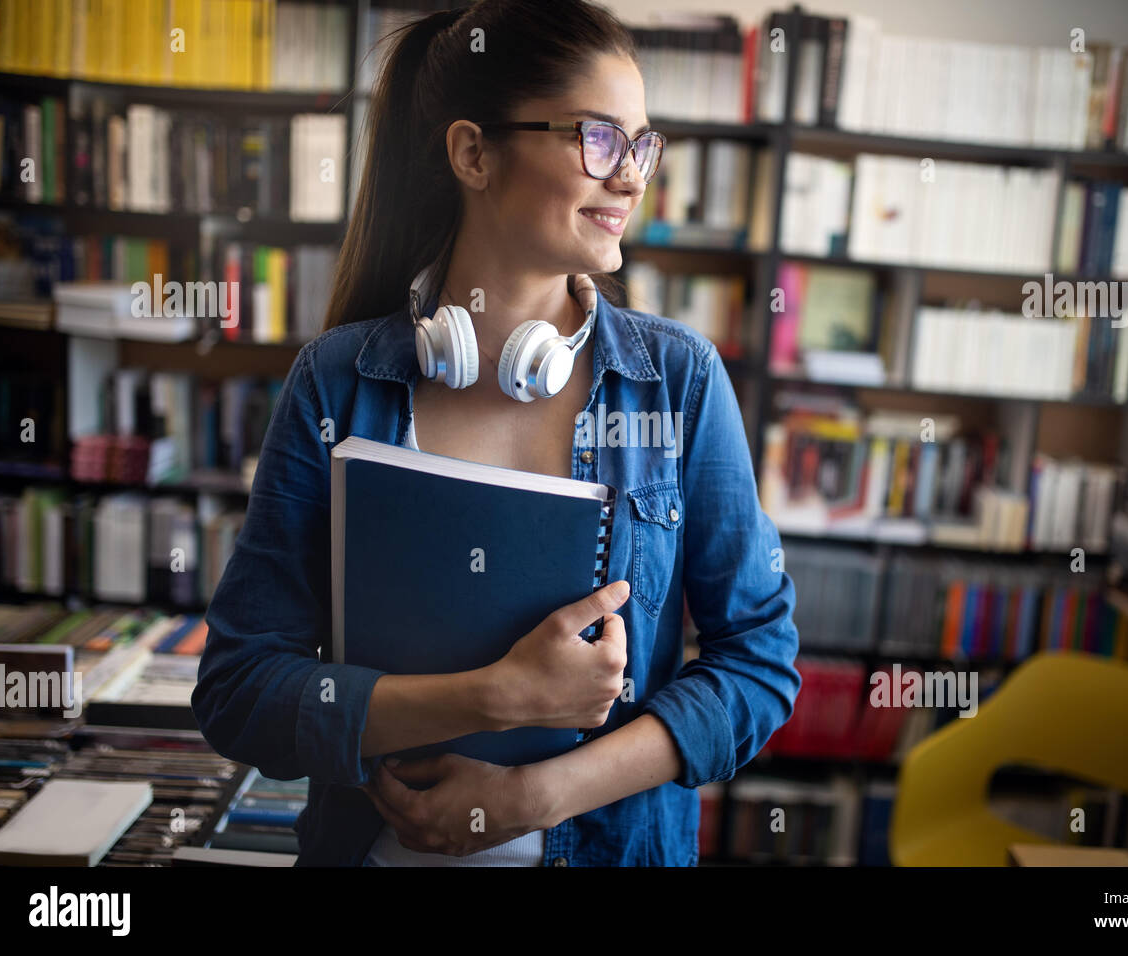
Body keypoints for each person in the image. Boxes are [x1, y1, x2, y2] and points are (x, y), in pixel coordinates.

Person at [192, 0, 800, 867]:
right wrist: (494, 698)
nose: (629, 178)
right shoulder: (337, 381)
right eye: (597, 139)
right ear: (474, 152)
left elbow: (760, 666)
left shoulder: (680, 381)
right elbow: (241, 692)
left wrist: (534, 798)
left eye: (641, 146)